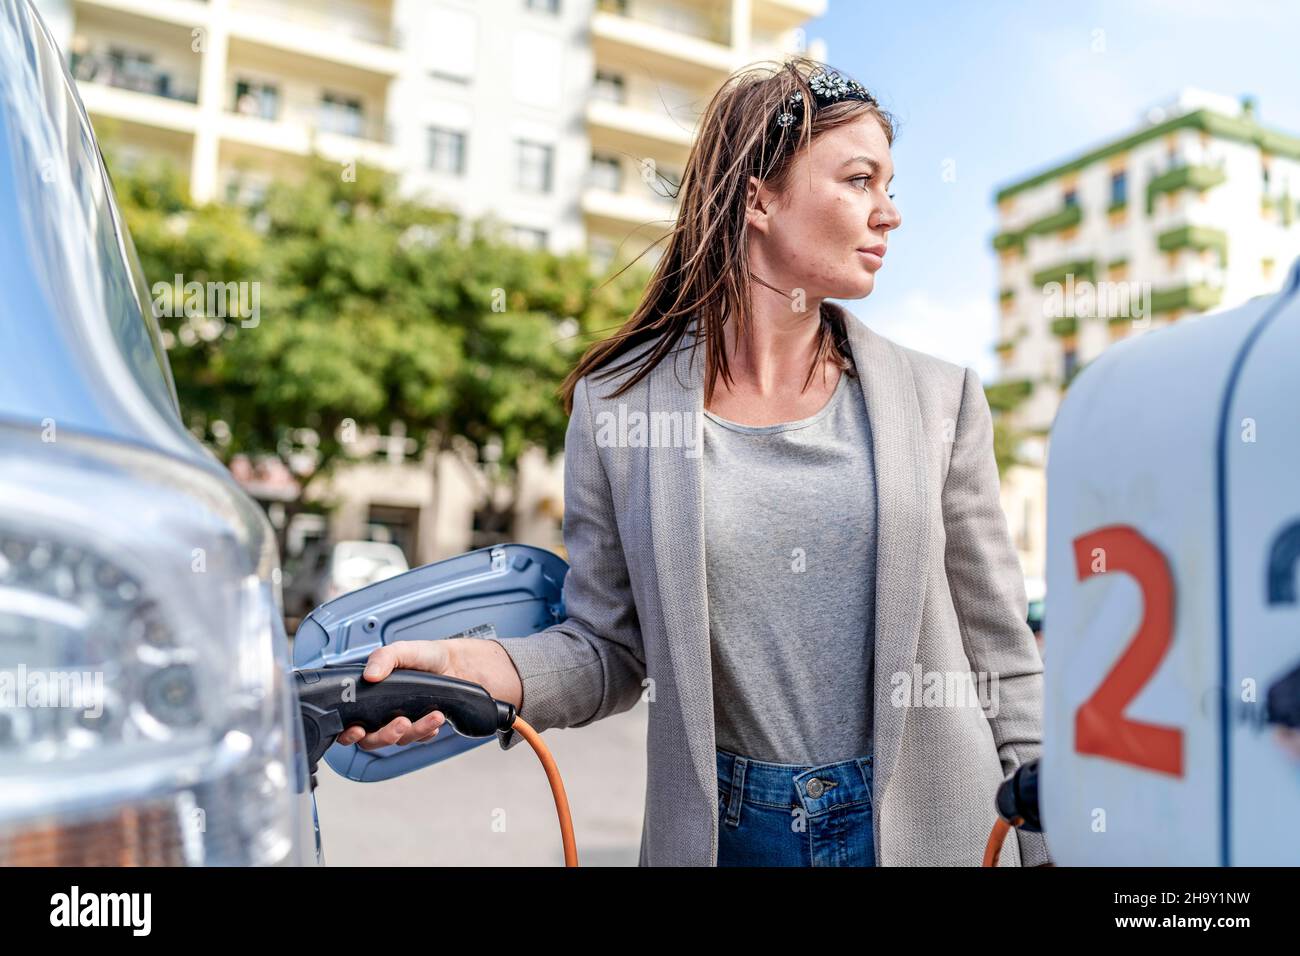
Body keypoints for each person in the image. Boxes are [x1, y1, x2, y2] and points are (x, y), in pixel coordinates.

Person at [338, 57, 1052, 867]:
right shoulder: (617, 408)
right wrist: (479, 667)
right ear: (758, 197)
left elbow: (1002, 656)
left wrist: (1050, 839)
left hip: (937, 838)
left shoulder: (941, 401)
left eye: (890, 186)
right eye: (859, 180)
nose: (889, 213)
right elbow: (605, 649)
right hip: (724, 839)